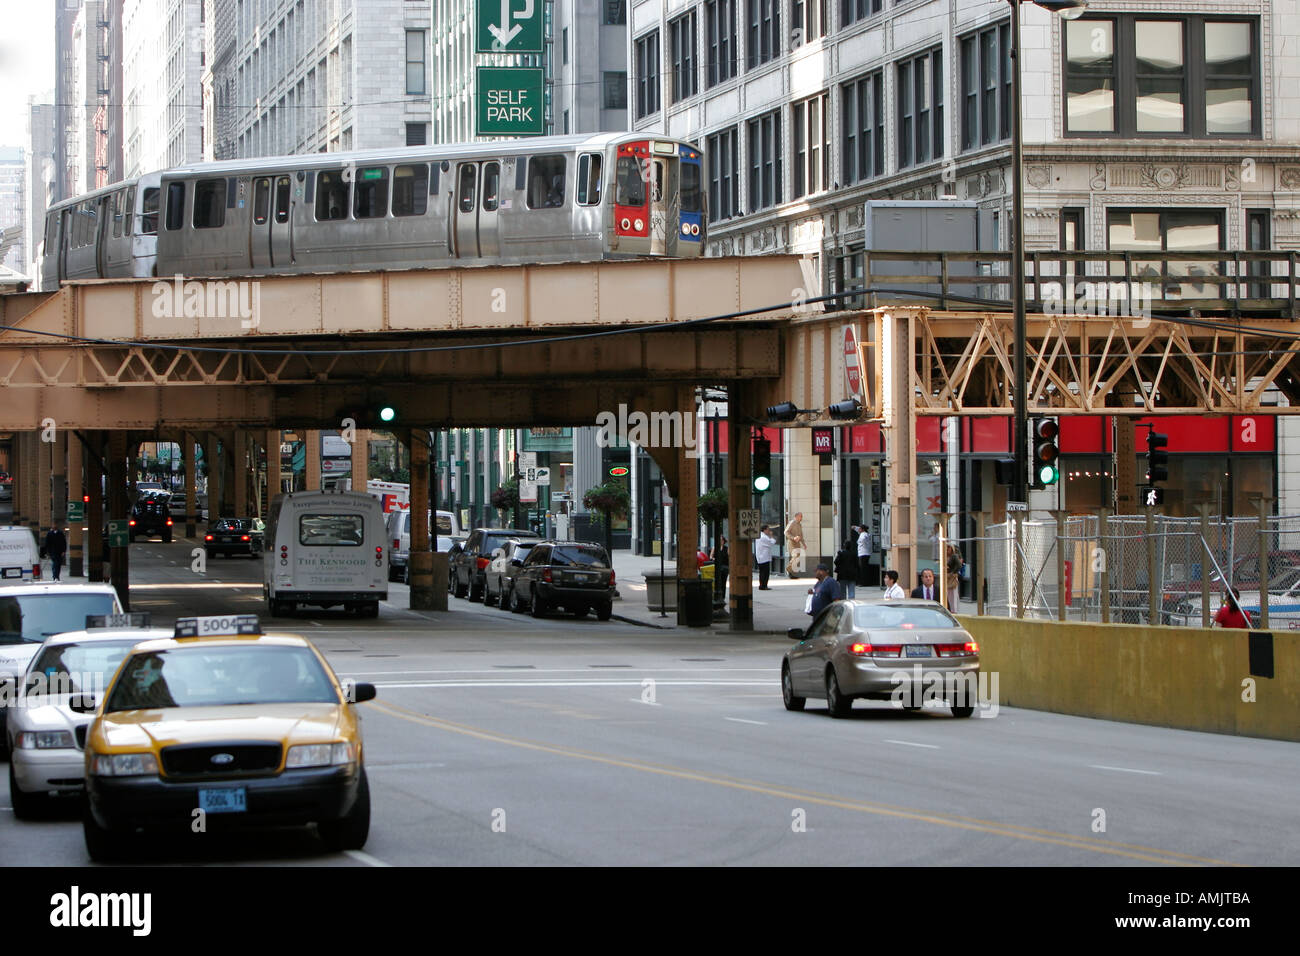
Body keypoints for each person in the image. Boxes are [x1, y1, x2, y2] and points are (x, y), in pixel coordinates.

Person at [834, 535, 858, 599]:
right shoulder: (854, 554)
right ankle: (851, 602)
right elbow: (857, 564)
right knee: (851, 591)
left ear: (844, 546)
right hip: (852, 575)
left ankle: (844, 602)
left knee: (842, 591)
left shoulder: (841, 553)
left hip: (842, 575)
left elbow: (836, 562)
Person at [784, 512, 805, 578]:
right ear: (796, 516)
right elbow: (786, 532)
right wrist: (793, 537)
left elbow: (801, 535)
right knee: (795, 556)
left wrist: (804, 544)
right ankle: (788, 569)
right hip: (791, 542)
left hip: (797, 542)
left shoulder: (799, 525)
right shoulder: (792, 523)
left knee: (798, 556)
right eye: (800, 516)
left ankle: (791, 573)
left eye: (801, 516)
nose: (801, 518)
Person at [945, 543, 964, 613]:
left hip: (951, 578)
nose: (947, 549)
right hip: (946, 578)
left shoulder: (954, 556)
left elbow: (959, 565)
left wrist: (952, 573)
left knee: (952, 594)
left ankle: (954, 610)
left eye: (948, 548)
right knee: (948, 594)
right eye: (946, 548)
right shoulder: (945, 556)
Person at [754, 525, 775, 590]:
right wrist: (771, 536)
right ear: (764, 530)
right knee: (765, 572)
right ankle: (764, 585)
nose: (769, 531)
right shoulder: (764, 537)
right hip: (764, 557)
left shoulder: (760, 536)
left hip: (761, 557)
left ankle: (762, 585)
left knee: (762, 572)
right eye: (768, 530)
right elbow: (772, 542)